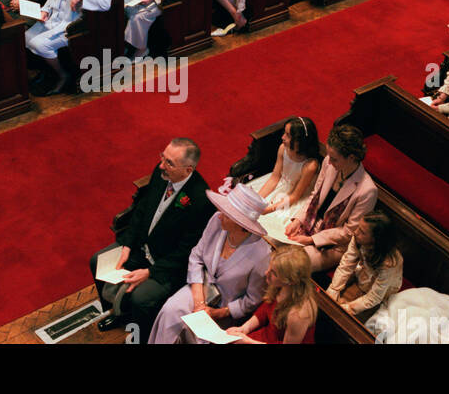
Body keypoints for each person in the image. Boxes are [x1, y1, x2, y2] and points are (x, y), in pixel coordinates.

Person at [89, 138, 214, 340]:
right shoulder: (161, 172)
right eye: (162, 158)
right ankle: (118, 312)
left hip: (166, 266)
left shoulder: (200, 201)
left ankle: (141, 336)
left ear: (188, 170)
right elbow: (141, 210)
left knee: (141, 297)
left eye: (169, 163)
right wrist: (128, 245)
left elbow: (186, 252)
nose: (161, 165)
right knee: (97, 261)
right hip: (141, 248)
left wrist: (149, 272)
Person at [147, 184, 271, 343]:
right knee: (170, 311)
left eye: (226, 214)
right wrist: (199, 302)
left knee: (196, 337)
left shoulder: (261, 255)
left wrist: (218, 313)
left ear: (241, 224)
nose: (220, 216)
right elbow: (196, 256)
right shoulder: (216, 221)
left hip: (224, 309)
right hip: (200, 287)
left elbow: (252, 300)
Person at [283, 123, 378, 272]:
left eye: (334, 159)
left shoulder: (367, 191)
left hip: (333, 245)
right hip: (310, 222)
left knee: (292, 265)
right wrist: (299, 220)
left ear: (351, 157)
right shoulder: (329, 162)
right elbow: (315, 195)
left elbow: (349, 232)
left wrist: (312, 240)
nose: (329, 162)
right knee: (275, 246)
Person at [25, 0, 113, 95]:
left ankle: (62, 75)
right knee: (26, 36)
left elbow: (106, 2)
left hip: (73, 23)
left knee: (40, 45)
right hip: (54, 16)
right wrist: (45, 10)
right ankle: (48, 71)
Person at [223, 245, 317, 343]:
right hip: (266, 337)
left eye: (274, 273)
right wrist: (245, 328)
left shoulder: (298, 314)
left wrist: (247, 341)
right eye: (270, 267)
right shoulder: (280, 286)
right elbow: (264, 311)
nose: (266, 273)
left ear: (289, 281)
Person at [244, 116, 321, 234]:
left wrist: (268, 209)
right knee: (248, 207)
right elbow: (275, 178)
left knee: (265, 223)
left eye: (288, 135)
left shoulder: (310, 165)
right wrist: (257, 199)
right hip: (279, 186)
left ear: (299, 141)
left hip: (292, 197)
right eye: (284, 133)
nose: (282, 137)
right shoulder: (283, 148)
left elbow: (295, 196)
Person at [325, 210, 403, 316]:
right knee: (330, 300)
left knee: (341, 314)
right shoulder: (358, 238)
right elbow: (346, 265)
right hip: (362, 276)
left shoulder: (389, 263)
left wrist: (349, 308)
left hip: (379, 293)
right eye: (358, 227)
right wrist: (333, 290)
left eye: (362, 232)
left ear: (375, 240)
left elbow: (375, 296)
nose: (356, 232)